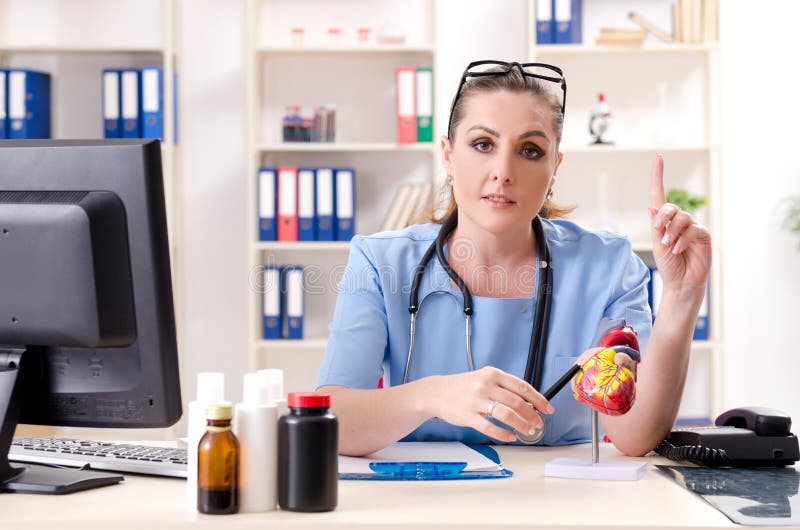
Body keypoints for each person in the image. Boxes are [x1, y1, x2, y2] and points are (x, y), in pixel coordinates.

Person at [317, 61, 712, 457]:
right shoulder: (378, 261)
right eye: (483, 144)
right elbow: (332, 422)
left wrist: (681, 295)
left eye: (530, 150)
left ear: (554, 168)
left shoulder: (607, 265)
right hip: (421, 496)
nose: (503, 172)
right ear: (448, 155)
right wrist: (433, 395)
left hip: (558, 503)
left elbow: (635, 435)